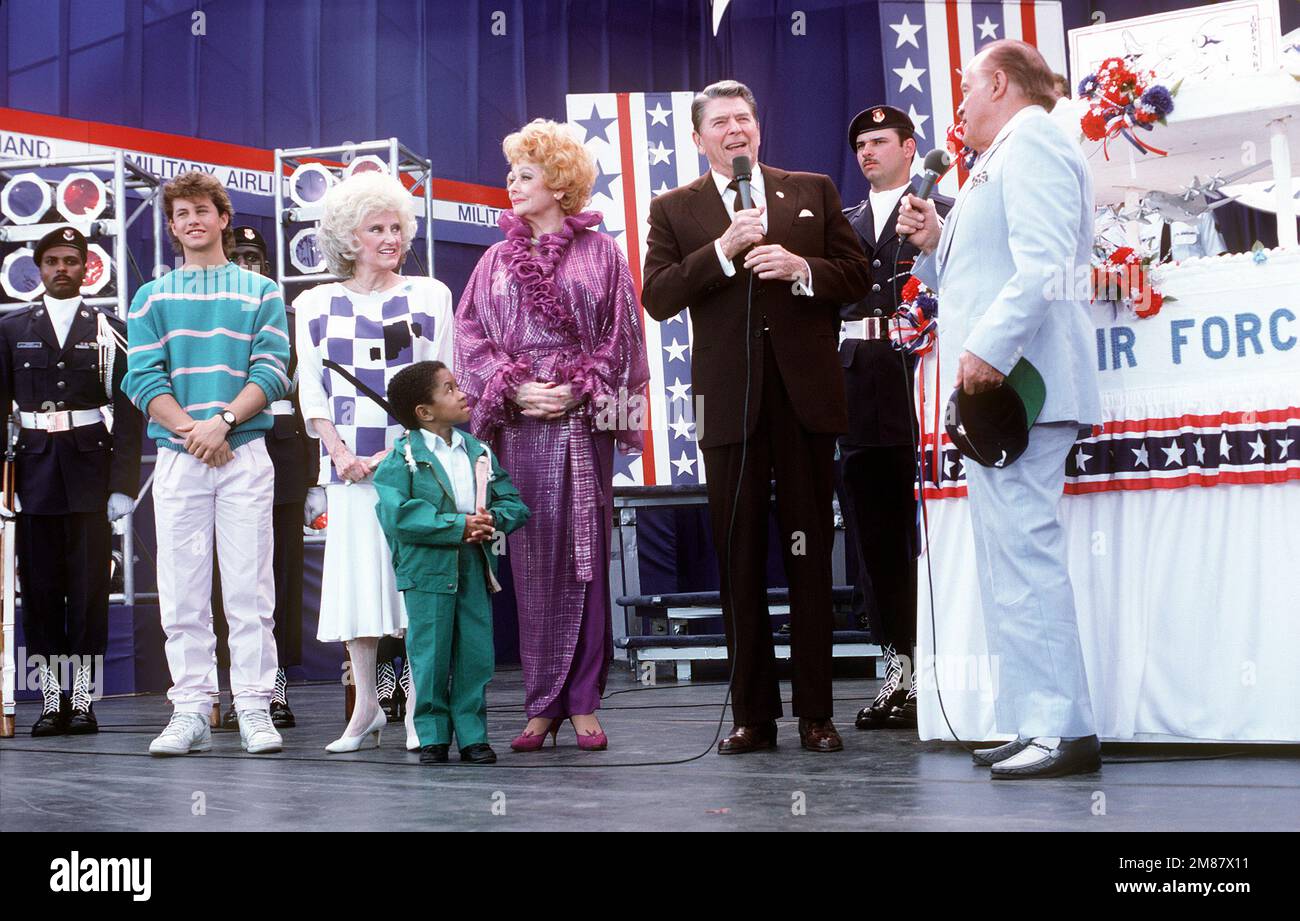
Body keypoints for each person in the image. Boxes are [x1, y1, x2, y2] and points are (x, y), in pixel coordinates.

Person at [641, 80, 872, 755]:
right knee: (739, 558)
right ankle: (754, 715)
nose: (735, 130)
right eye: (721, 122)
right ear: (698, 137)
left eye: (745, 117)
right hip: (728, 405)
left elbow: (856, 276)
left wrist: (804, 267)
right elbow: (656, 296)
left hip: (805, 402)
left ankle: (817, 713)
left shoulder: (813, 189)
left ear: (758, 128)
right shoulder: (673, 209)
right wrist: (722, 250)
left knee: (809, 555)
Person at [897, 40, 1103, 779]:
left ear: (998, 82)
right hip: (996, 392)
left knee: (1027, 553)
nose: (958, 102)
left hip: (1022, 384)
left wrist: (984, 351)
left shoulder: (1036, 141)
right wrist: (933, 245)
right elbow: (984, 269)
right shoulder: (992, 160)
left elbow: (1046, 265)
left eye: (965, 85)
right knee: (1007, 560)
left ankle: (1063, 727)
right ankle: (1034, 718)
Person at [455, 118, 648, 752]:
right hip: (522, 427)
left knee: (585, 555)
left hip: (583, 421)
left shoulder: (605, 254)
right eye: (509, 173)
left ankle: (585, 701)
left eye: (526, 174)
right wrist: (511, 388)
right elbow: (470, 339)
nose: (512, 183)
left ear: (560, 183)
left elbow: (624, 340)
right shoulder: (490, 262)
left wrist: (584, 390)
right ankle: (542, 703)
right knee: (534, 560)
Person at [124, 171, 289, 756]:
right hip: (180, 455)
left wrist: (222, 422)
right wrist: (196, 431)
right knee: (183, 592)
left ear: (223, 217)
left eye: (202, 210)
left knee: (250, 590)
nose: (192, 220)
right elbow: (142, 379)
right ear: (172, 228)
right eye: (180, 214)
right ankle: (190, 710)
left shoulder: (261, 291)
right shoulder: (152, 297)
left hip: (242, 450)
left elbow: (271, 370)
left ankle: (253, 708)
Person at [293, 171, 454, 753]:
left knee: (414, 592)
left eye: (397, 227)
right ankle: (365, 710)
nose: (390, 238)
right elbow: (311, 392)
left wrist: (396, 450)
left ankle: (417, 709)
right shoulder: (313, 303)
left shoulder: (430, 294)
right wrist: (339, 454)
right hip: (346, 473)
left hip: (413, 468)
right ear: (346, 236)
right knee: (360, 591)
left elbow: (442, 383)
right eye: (375, 228)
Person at [0, 226, 142, 735]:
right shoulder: (12, 329)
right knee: (39, 591)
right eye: (53, 261)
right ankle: (51, 699)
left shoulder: (111, 328)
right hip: (33, 474)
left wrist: (123, 485)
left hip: (89, 473)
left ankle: (82, 698)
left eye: (72, 261)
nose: (62, 269)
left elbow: (130, 411)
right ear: (38, 269)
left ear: (87, 268)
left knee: (86, 591)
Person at [838, 105, 953, 732]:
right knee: (874, 538)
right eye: (859, 143)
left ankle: (950, 670)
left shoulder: (944, 210)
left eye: (879, 140)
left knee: (940, 527)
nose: (866, 151)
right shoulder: (841, 222)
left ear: (911, 148)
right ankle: (897, 678)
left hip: (924, 377)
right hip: (860, 382)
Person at [373, 361, 530, 764]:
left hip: (473, 567)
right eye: (449, 389)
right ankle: (433, 736)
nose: (461, 394)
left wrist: (492, 521)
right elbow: (397, 515)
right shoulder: (402, 458)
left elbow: (512, 502)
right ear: (424, 412)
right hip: (427, 572)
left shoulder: (478, 452)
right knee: (430, 655)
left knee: (475, 656)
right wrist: (456, 526)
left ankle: (473, 735)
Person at [210, 226, 319, 730]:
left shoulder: (290, 319)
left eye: (255, 257)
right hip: (228, 451)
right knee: (230, 577)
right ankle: (237, 688)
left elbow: (312, 397)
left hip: (286, 457)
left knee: (280, 576)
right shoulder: (212, 316)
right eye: (239, 256)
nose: (248, 265)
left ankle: (273, 689)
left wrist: (315, 475)